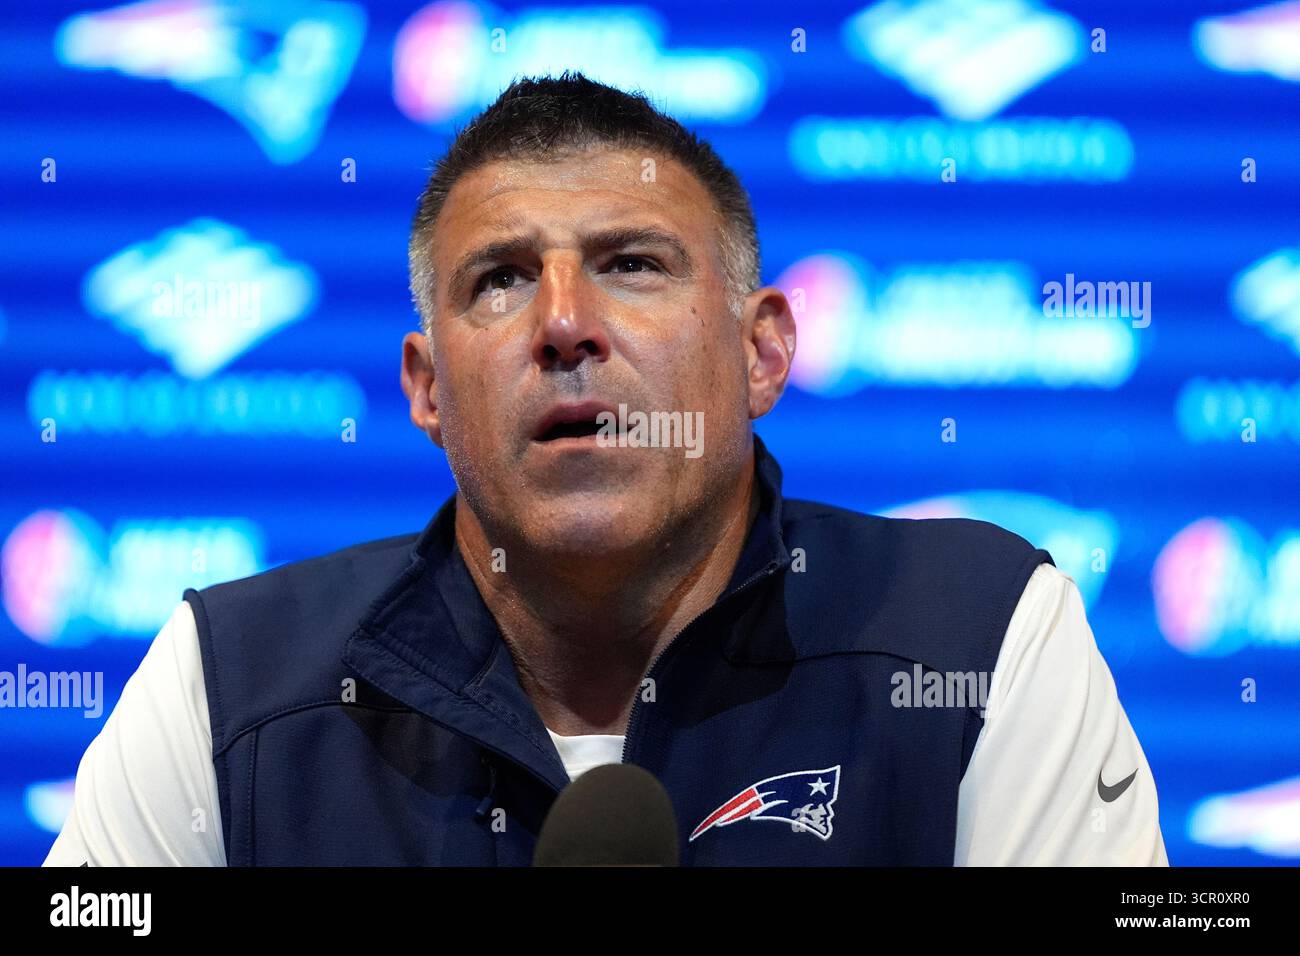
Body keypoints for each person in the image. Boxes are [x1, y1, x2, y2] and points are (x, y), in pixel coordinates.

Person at [44, 71, 1167, 866]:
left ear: (762, 348)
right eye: (499, 279)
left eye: (632, 265)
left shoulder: (978, 638)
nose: (565, 324)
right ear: (427, 389)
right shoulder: (232, 684)